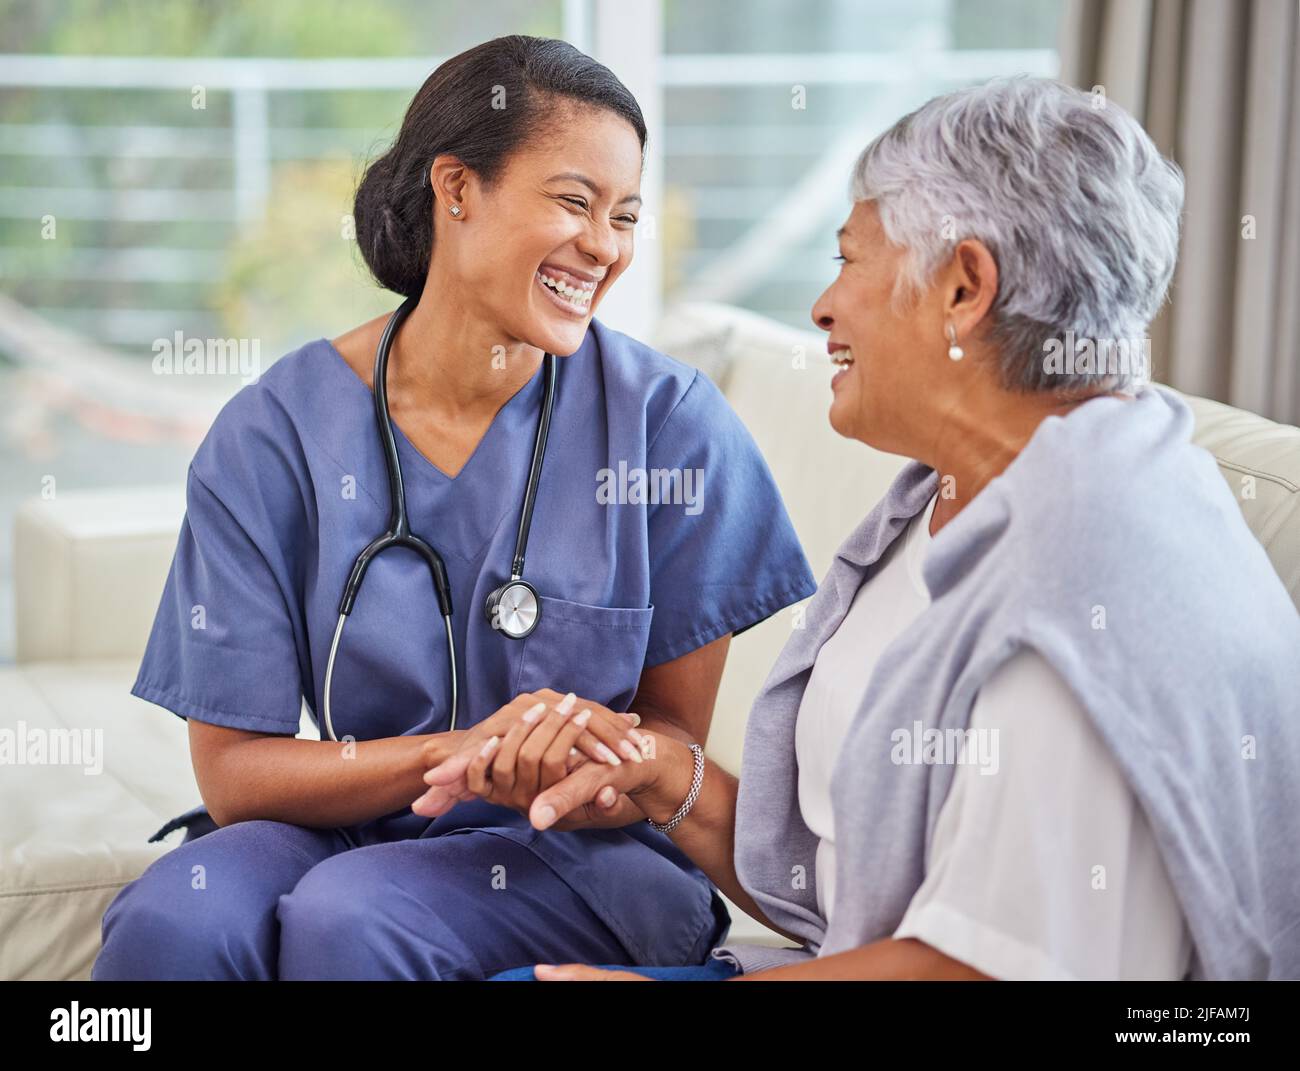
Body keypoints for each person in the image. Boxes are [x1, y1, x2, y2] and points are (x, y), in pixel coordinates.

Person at [435, 76, 1300, 981]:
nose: (823, 308)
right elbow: (849, 880)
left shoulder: (1083, 592)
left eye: (850, 261)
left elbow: (984, 970)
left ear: (964, 287)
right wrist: (659, 775)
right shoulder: (949, 501)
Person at [92, 35, 816, 981]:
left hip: (576, 858)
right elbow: (235, 775)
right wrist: (459, 753)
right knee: (171, 927)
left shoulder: (668, 427)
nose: (604, 246)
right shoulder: (274, 435)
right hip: (348, 828)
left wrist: (591, 764)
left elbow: (672, 739)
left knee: (354, 920)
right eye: (572, 202)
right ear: (457, 188)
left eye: (624, 215)